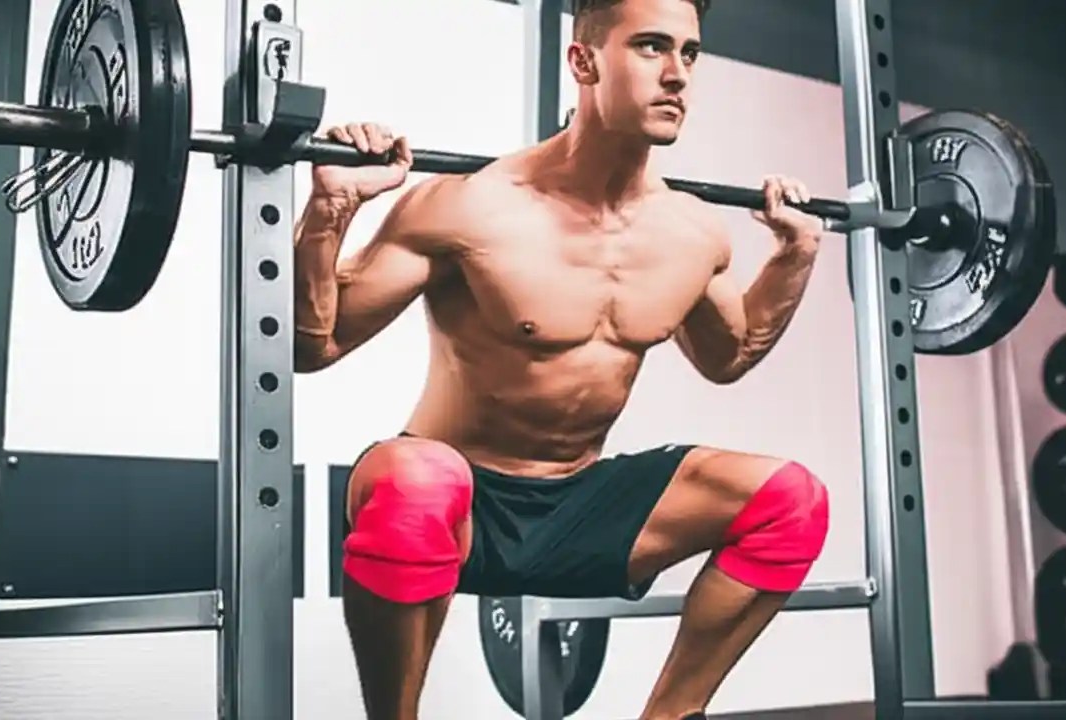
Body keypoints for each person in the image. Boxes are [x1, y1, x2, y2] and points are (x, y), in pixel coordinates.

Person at [293, 0, 829, 718]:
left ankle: (672, 714)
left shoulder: (692, 232)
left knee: (790, 499)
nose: (678, 75)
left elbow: (729, 355)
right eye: (651, 47)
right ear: (583, 61)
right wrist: (329, 211)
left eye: (690, 53)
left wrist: (796, 254)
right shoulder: (470, 208)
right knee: (417, 478)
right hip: (459, 507)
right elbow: (313, 344)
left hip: (581, 505)